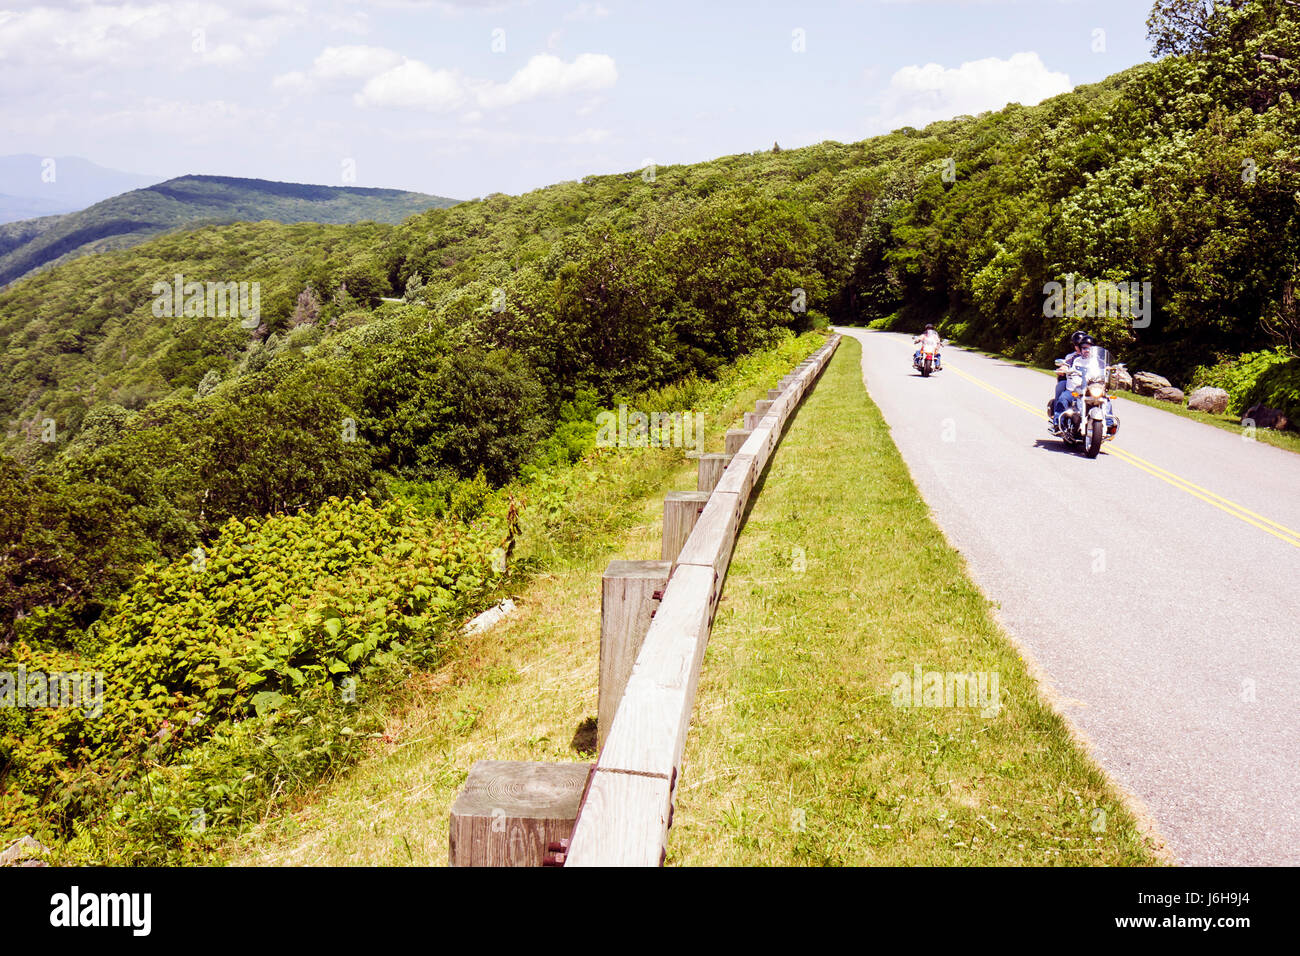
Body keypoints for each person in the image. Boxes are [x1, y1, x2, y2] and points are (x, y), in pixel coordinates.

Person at [1049, 331, 1094, 421]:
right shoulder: (1072, 357)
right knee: (1061, 388)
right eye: (1077, 345)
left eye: (1083, 345)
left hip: (1090, 386)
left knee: (1105, 398)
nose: (1079, 347)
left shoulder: (1094, 358)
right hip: (1072, 383)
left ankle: (1109, 423)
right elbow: (1065, 365)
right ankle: (1057, 418)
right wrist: (1062, 369)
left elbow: (1103, 366)